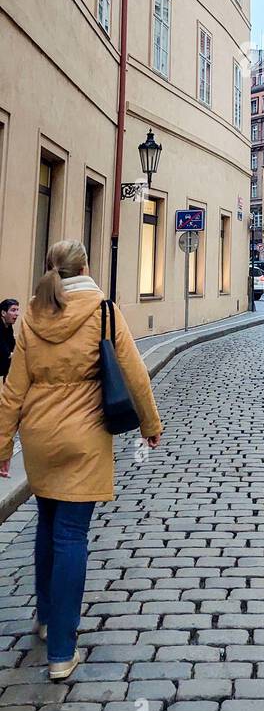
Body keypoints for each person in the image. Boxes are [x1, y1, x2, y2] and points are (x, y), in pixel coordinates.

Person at [0, 240, 162, 683]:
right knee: (71, 534)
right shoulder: (103, 311)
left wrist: (1, 447)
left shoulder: (32, 314)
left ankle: (46, 616)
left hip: (38, 435)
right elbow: (133, 373)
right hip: (84, 436)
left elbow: (13, 388)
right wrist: (150, 424)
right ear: (85, 266)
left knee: (47, 522)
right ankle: (61, 652)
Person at [0, 298, 19, 386]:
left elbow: (12, 343)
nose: (17, 314)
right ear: (3, 313)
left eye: (17, 310)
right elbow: (2, 346)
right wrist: (12, 354)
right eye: (13, 310)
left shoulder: (8, 326)